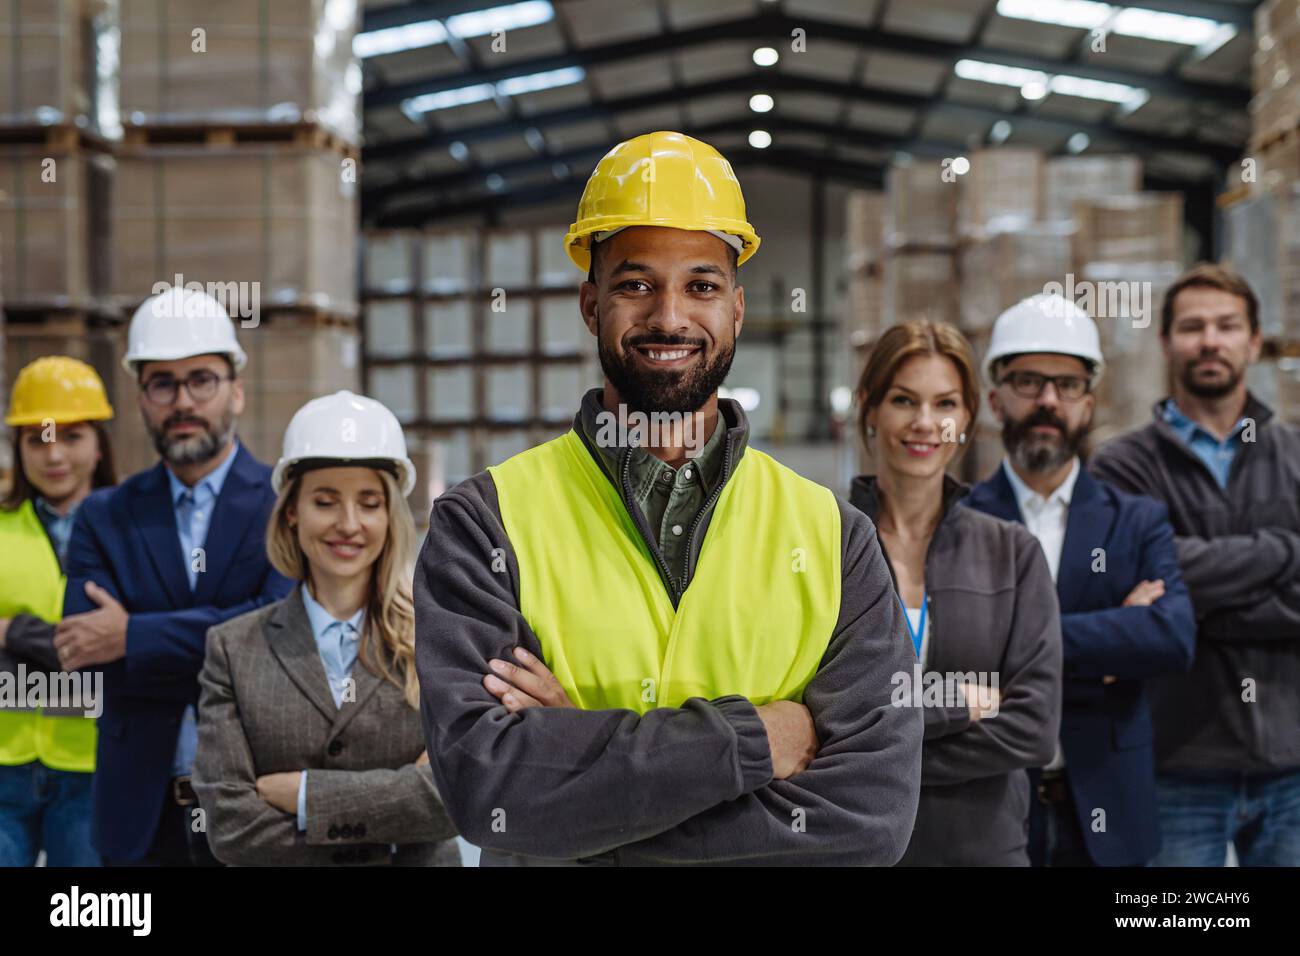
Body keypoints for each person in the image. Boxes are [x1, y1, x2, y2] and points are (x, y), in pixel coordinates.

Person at [415, 130, 922, 866]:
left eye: (701, 285)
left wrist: (585, 771)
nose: (670, 318)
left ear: (738, 309)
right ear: (592, 305)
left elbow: (870, 819)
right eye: (635, 284)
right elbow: (488, 793)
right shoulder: (484, 524)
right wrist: (755, 739)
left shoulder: (832, 536)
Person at [59, 287, 292, 866]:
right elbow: (85, 653)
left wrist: (133, 635)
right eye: (162, 383)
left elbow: (284, 638)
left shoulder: (284, 503)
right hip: (139, 811)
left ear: (235, 390)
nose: (182, 400)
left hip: (256, 802)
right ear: (141, 398)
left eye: (201, 380)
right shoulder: (103, 516)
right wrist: (230, 638)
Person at [964, 294, 1196, 867]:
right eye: (1028, 381)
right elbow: (947, 654)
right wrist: (1112, 636)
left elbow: (1170, 637)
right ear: (995, 399)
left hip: (1107, 808)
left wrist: (1018, 650)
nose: (1048, 400)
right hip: (991, 807)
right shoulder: (958, 521)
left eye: (1066, 385)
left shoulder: (1136, 520)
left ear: (1089, 404)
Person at [193, 391, 459, 866]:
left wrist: (304, 796)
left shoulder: (439, 638)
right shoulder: (232, 650)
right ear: (292, 510)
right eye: (325, 501)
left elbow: (455, 796)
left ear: (389, 514)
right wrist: (397, 806)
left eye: (369, 502)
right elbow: (231, 826)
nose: (349, 524)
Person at [1091, 263, 1300, 866]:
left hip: (1292, 764)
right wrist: (1286, 551)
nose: (1210, 340)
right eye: (1192, 326)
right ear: (1166, 344)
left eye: (1227, 325)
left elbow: (1169, 593)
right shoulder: (1123, 466)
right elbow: (1132, 597)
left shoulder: (1292, 456)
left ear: (1254, 342)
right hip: (1175, 763)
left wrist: (1190, 599)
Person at [847, 319, 1062, 866]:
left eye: (944, 404)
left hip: (982, 850)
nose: (925, 423)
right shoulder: (820, 544)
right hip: (855, 848)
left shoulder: (1012, 554)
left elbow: (1033, 729)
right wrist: (954, 705)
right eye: (903, 400)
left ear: (967, 418)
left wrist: (872, 752)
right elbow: (820, 713)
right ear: (870, 408)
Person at [0, 358, 116, 866]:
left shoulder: (131, 534)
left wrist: (11, 633)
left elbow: (124, 645)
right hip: (5, 762)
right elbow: (89, 645)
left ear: (98, 445)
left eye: (70, 436)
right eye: (37, 439)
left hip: (90, 764)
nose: (54, 455)